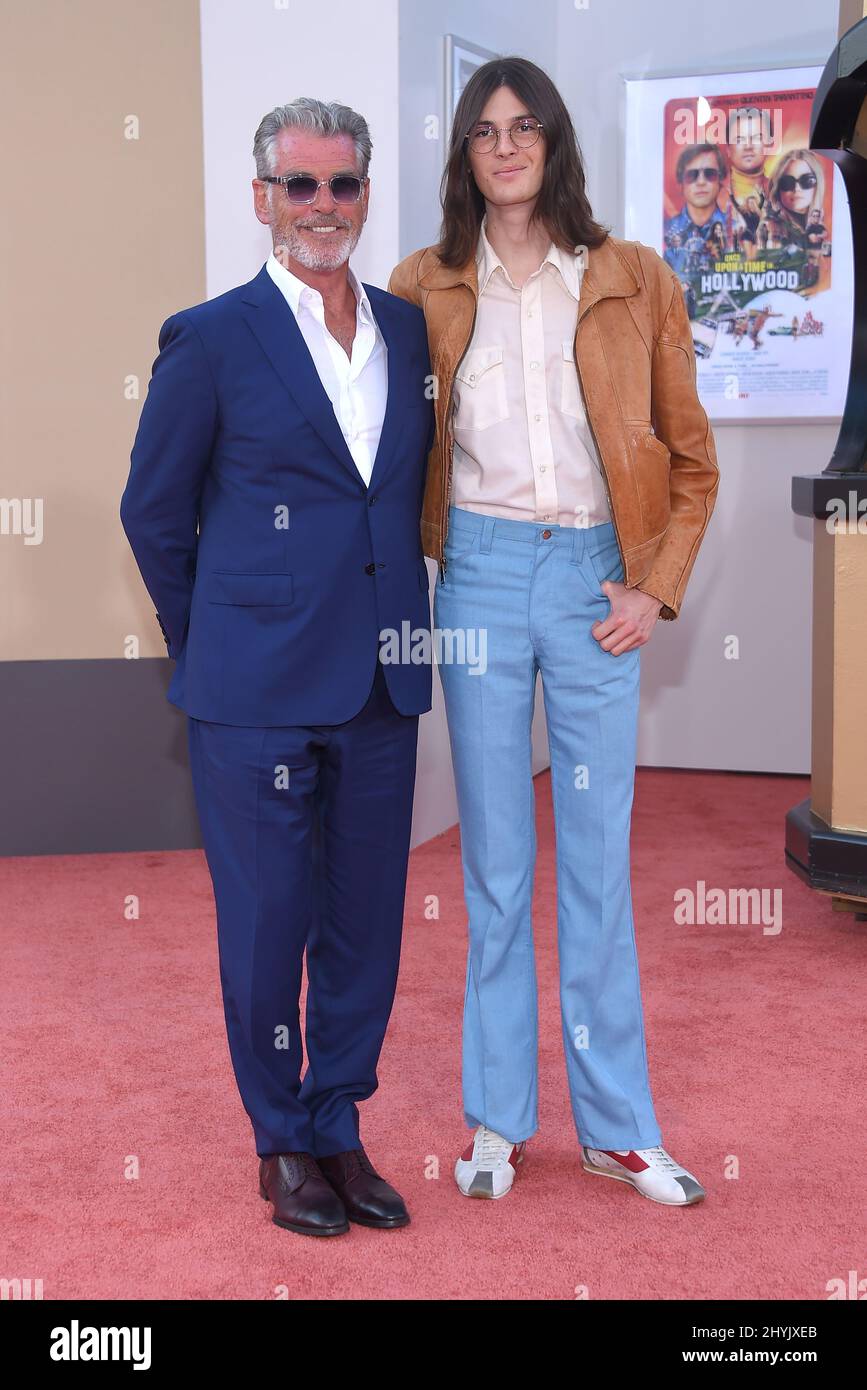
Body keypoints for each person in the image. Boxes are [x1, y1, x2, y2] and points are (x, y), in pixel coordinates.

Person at [388, 57, 719, 1206]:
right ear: (466, 156)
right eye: (486, 130)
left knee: (596, 864)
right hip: (475, 579)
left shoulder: (632, 276)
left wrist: (652, 587)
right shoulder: (421, 283)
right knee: (494, 868)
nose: (508, 145)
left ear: (556, 142)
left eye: (526, 126)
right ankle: (495, 1123)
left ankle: (618, 1126)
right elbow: (384, 460)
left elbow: (690, 457)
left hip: (592, 583)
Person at [120, 98, 435, 1239]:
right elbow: (152, 511)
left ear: (362, 196)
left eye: (342, 185)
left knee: (366, 922)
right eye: (299, 186)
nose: (322, 208)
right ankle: (281, 1141)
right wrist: (209, 645)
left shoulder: (407, 330)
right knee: (265, 926)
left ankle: (339, 1122)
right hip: (252, 694)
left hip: (381, 683)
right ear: (262, 198)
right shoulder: (209, 337)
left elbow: (393, 499)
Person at [665, 143, 728, 264]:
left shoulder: (736, 231)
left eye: (709, 174)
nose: (701, 182)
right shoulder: (665, 231)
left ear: (720, 180)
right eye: (692, 175)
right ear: (681, 183)